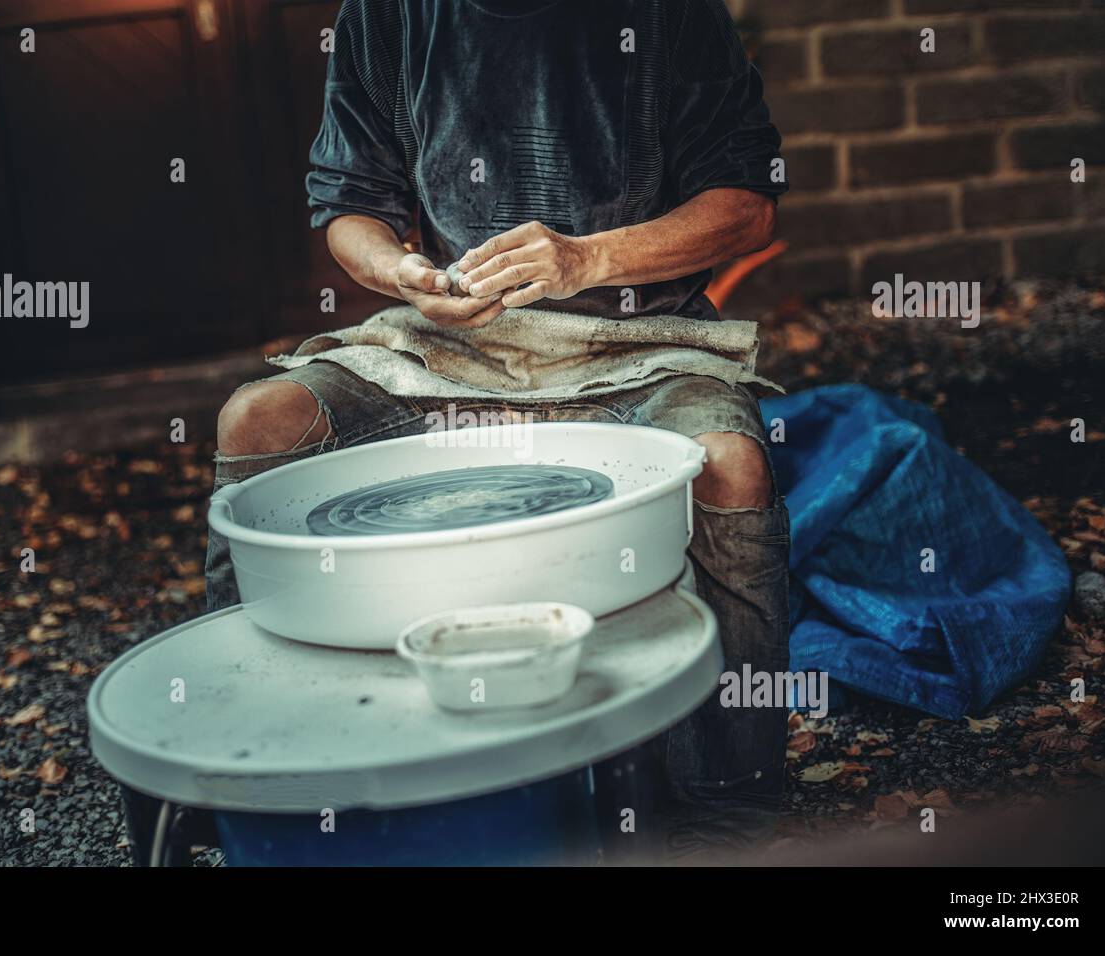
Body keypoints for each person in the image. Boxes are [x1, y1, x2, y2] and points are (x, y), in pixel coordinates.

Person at [206, 0, 790, 858]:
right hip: (450, 348)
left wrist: (588, 257)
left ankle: (730, 807)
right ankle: (254, 767)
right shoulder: (386, 12)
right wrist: (402, 273)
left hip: (639, 345)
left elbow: (747, 207)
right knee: (258, 421)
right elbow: (348, 207)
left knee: (730, 465)